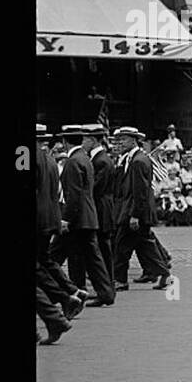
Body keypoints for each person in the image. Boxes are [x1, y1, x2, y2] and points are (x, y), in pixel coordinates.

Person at [55, 124, 116, 306]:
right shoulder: (84, 158)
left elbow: (73, 195)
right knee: (88, 258)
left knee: (53, 258)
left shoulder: (73, 161)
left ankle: (69, 292)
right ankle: (98, 292)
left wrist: (66, 218)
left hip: (77, 219)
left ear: (65, 142)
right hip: (87, 217)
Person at [34, 125, 85, 322]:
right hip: (50, 216)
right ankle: (72, 292)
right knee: (45, 259)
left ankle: (65, 298)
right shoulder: (48, 158)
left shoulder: (24, 153)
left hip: (37, 218)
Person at [112, 127, 171, 290]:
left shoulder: (138, 160)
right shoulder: (131, 159)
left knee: (122, 247)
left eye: (123, 139)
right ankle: (164, 273)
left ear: (133, 140)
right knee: (146, 246)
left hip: (136, 212)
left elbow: (140, 191)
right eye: (119, 140)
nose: (121, 143)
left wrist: (135, 215)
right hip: (134, 210)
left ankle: (120, 280)